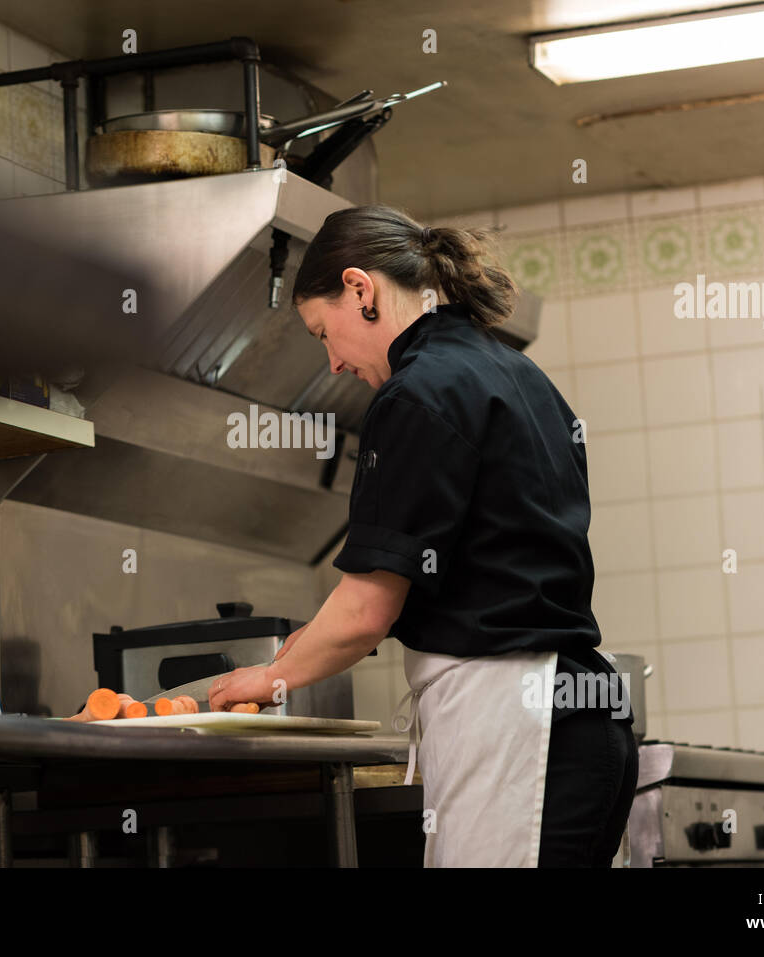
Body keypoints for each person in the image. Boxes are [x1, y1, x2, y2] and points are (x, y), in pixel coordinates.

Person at [207, 204, 638, 867]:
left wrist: (273, 677)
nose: (333, 363)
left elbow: (365, 611)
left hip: (513, 723)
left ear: (361, 288)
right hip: (582, 720)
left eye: (325, 333)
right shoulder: (520, 376)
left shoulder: (415, 395)